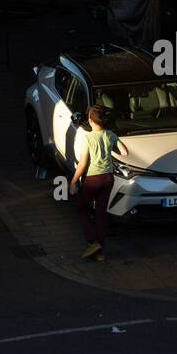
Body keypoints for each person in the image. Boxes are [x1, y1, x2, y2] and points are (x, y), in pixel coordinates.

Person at [69, 104, 120, 261]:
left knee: (82, 207)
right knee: (101, 212)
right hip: (108, 178)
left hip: (93, 179)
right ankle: (99, 253)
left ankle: (92, 241)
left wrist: (73, 181)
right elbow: (124, 151)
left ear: (90, 121)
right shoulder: (111, 134)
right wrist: (111, 146)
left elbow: (83, 163)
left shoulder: (88, 138)